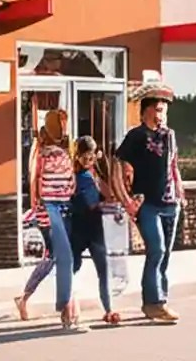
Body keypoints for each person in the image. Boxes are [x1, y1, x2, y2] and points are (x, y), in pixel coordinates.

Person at [116, 78, 183, 323]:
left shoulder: (169, 135)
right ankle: (154, 303)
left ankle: (159, 300)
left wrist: (180, 190)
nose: (161, 115)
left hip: (170, 202)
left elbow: (173, 164)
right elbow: (117, 166)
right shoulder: (136, 136)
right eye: (157, 110)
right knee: (157, 250)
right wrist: (126, 199)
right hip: (148, 204)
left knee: (165, 255)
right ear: (145, 111)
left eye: (164, 111)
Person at [13, 108, 79, 329]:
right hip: (49, 213)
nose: (63, 130)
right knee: (57, 257)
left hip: (64, 210)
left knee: (55, 258)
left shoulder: (64, 151)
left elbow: (70, 182)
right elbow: (35, 182)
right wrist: (40, 210)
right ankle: (66, 310)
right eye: (60, 125)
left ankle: (32, 299)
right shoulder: (41, 153)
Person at [69, 135, 122, 326]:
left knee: (97, 270)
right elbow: (93, 203)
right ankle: (75, 309)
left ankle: (107, 309)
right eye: (85, 156)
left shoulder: (89, 175)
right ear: (77, 156)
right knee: (81, 269)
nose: (89, 160)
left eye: (91, 156)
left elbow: (105, 196)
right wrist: (108, 203)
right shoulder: (82, 177)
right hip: (84, 229)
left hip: (87, 229)